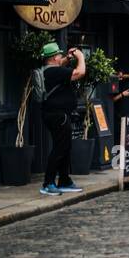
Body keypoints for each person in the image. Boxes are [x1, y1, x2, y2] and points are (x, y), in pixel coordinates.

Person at [38, 42, 86, 196]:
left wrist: (68, 57)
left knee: (65, 148)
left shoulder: (50, 70)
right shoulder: (54, 72)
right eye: (59, 55)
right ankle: (48, 183)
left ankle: (64, 180)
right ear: (53, 58)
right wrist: (80, 57)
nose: (61, 57)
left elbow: (62, 65)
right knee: (59, 149)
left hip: (57, 115)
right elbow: (80, 73)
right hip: (58, 116)